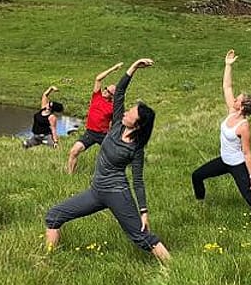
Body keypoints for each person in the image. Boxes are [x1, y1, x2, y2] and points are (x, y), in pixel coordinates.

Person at [45, 59, 170, 262]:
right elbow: (120, 91)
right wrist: (134, 67)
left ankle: (172, 266)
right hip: (96, 192)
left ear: (137, 125)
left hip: (116, 193)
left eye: (132, 113)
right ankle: (47, 260)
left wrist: (144, 211)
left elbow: (138, 180)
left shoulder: (135, 148)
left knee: (141, 237)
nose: (127, 111)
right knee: (54, 216)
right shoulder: (117, 126)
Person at [190, 50, 251, 225]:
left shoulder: (243, 127)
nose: (234, 99)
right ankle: (200, 202)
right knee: (197, 175)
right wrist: (228, 65)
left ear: (242, 107)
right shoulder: (232, 111)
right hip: (224, 161)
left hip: (237, 164)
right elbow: (227, 87)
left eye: (237, 99)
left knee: (248, 195)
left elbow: (247, 153)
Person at [66, 62, 123, 174]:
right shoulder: (97, 96)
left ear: (112, 96)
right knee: (74, 151)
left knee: (115, 155)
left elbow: (118, 121)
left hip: (103, 135)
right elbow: (98, 79)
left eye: (108, 91)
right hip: (90, 133)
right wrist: (113, 69)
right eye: (105, 89)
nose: (105, 91)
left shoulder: (113, 107)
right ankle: (69, 175)